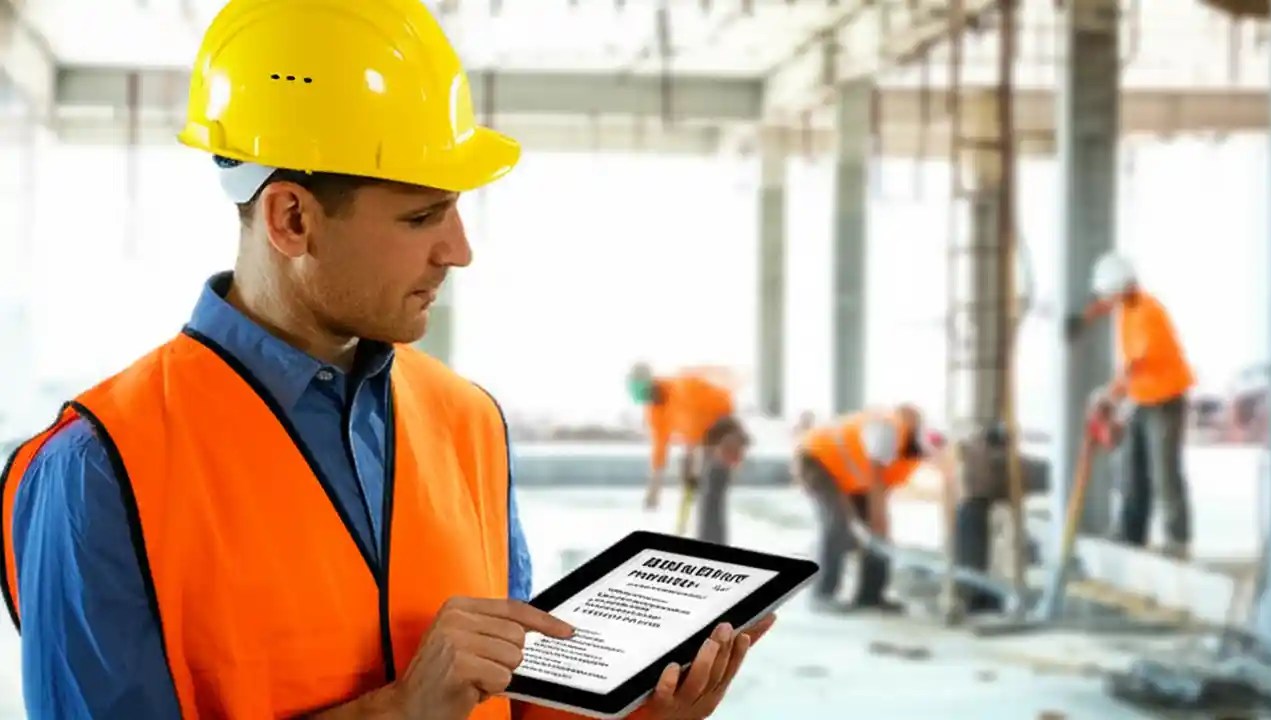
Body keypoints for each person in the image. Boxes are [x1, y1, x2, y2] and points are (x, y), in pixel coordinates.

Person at [0, 2, 774, 718]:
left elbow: (500, 697)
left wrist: (627, 713)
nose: (460, 251)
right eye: (421, 215)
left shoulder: (466, 419)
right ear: (292, 217)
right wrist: (398, 711)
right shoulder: (102, 464)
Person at [1066, 252, 1195, 560]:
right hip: (1143, 400)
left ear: (1122, 288)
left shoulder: (1147, 313)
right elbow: (1101, 304)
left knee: (1164, 472)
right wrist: (1082, 318)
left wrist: (1109, 397)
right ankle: (1131, 534)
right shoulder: (1126, 306)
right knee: (1131, 468)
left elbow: (1133, 366)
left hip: (1165, 401)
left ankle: (1178, 540)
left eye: (1109, 295)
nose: (1107, 302)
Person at [792, 405, 934, 613]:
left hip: (851, 478)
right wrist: (879, 523)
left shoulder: (912, 453)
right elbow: (876, 481)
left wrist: (880, 525)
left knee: (876, 533)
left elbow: (883, 489)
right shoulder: (888, 431)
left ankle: (870, 596)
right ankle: (822, 594)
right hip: (818, 459)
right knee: (838, 526)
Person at [626, 363, 748, 545]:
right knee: (699, 491)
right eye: (645, 399)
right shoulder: (655, 411)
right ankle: (703, 544)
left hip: (723, 432)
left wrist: (696, 460)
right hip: (701, 442)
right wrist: (654, 489)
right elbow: (660, 449)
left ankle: (714, 550)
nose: (649, 401)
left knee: (711, 492)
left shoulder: (684, 388)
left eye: (649, 394)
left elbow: (715, 413)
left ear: (652, 384)